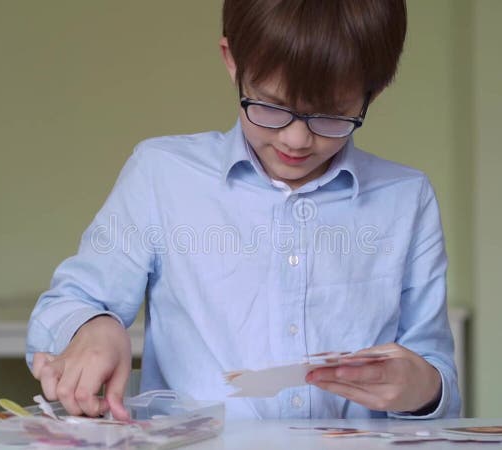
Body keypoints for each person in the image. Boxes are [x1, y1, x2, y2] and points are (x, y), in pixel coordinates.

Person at [27, 0, 460, 421]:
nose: (295, 140)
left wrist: (421, 388)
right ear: (232, 60)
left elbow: (437, 380)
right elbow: (68, 303)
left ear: (373, 91)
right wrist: (93, 326)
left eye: (331, 114)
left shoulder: (406, 199)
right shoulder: (162, 175)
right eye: (271, 105)